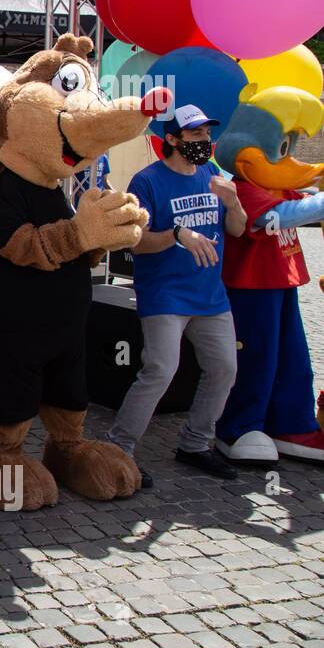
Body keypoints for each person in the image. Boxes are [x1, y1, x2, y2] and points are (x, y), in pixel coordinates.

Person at [104, 104, 246, 485]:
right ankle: (119, 448)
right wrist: (177, 234)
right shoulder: (147, 182)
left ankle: (196, 444)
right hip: (165, 293)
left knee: (224, 369)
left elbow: (237, 229)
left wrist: (232, 202)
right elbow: (135, 244)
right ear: (171, 139)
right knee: (160, 370)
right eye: (195, 134)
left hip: (210, 295)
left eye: (206, 133)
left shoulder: (213, 175)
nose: (204, 141)